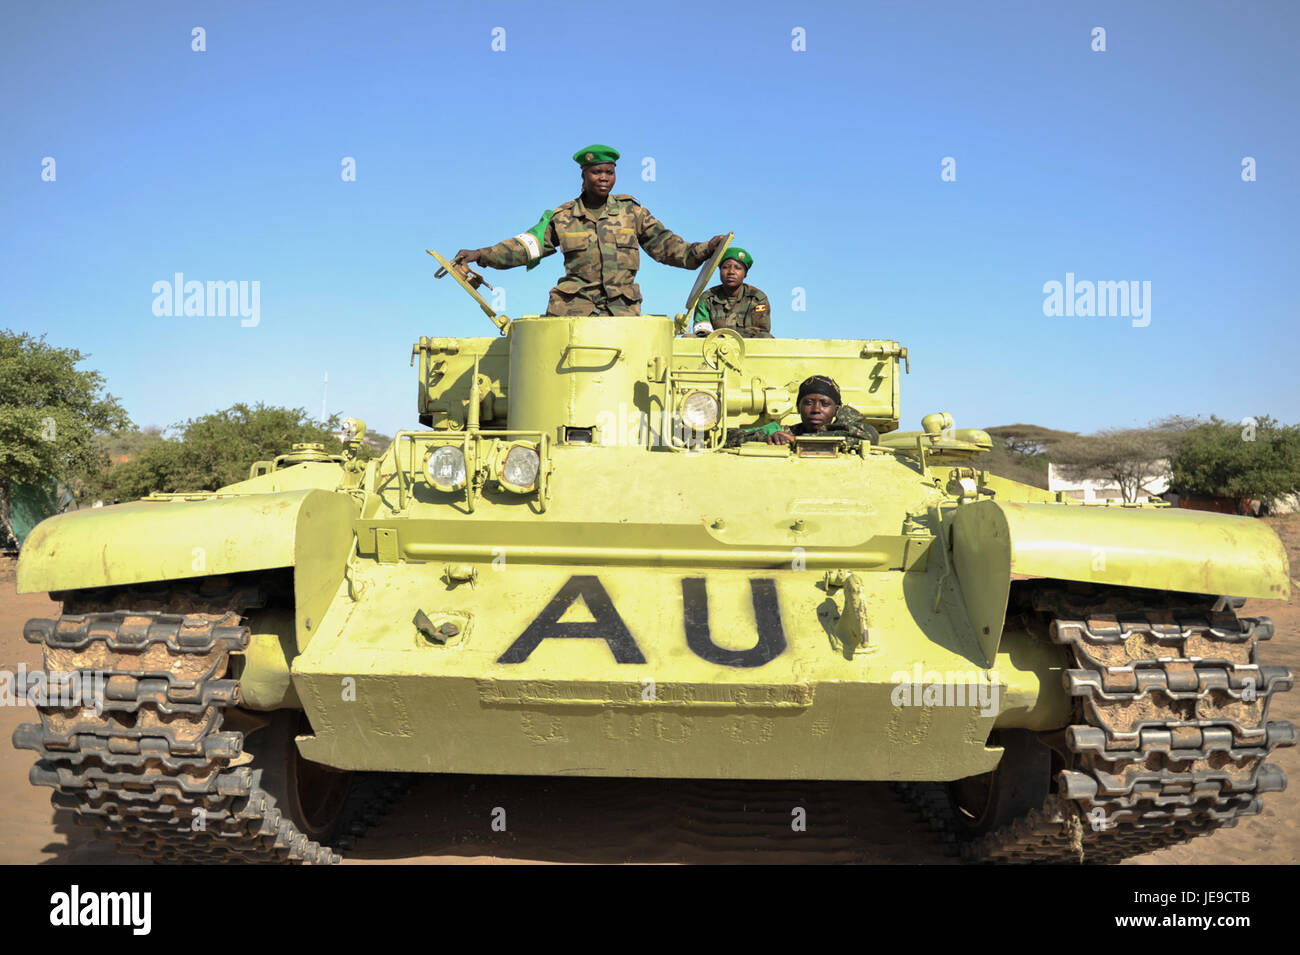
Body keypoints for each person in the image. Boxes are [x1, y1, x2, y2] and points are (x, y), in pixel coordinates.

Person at [453, 145, 725, 317]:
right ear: (583, 176)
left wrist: (705, 250)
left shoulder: (632, 213)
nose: (604, 178)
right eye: (597, 172)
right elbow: (524, 248)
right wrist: (481, 254)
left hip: (622, 315)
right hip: (572, 313)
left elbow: (669, 248)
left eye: (609, 172)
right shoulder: (562, 217)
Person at [726, 375, 878, 448]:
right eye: (808, 403)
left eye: (825, 404)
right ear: (798, 407)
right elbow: (729, 438)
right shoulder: (781, 430)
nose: (816, 410)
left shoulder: (850, 431)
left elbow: (870, 435)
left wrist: (799, 441)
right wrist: (765, 437)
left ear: (836, 410)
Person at [692, 248, 772, 338]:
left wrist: (730, 340)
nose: (731, 272)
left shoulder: (757, 298)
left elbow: (761, 331)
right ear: (720, 271)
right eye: (725, 267)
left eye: (737, 268)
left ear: (745, 274)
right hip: (714, 348)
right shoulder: (707, 298)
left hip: (749, 348)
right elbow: (702, 332)